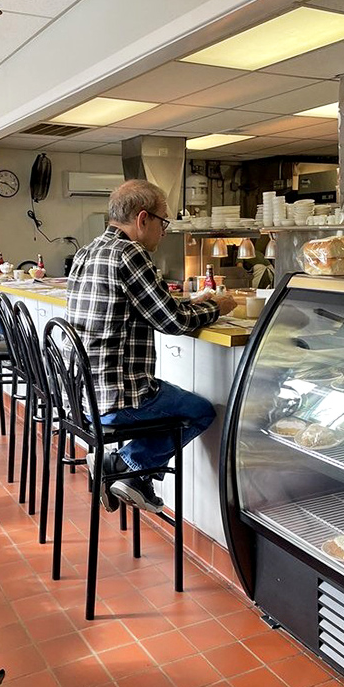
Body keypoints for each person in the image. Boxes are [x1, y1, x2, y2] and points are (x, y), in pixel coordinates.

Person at [67, 179, 236, 513]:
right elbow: (173, 322)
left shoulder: (87, 251)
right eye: (164, 222)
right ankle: (126, 466)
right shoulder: (130, 253)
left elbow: (153, 306)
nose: (165, 231)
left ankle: (127, 472)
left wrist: (191, 300)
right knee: (202, 411)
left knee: (178, 401)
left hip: (84, 396)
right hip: (119, 398)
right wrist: (219, 307)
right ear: (143, 219)